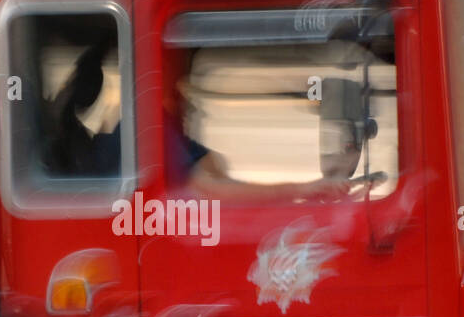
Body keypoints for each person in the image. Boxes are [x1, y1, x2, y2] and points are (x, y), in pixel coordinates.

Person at [46, 42, 348, 202]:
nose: (191, 100)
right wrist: (300, 191)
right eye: (183, 76)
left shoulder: (158, 129)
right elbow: (208, 192)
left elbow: (214, 173)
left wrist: (317, 187)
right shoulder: (147, 130)